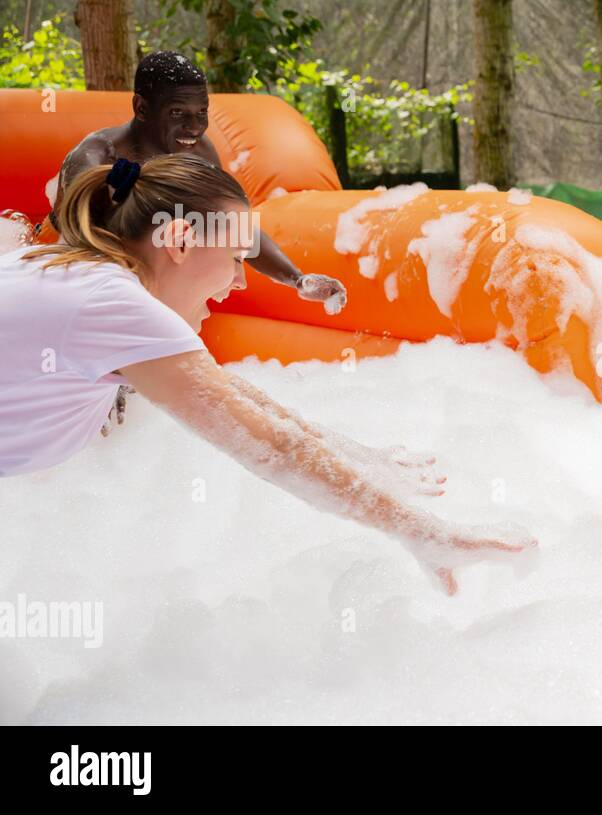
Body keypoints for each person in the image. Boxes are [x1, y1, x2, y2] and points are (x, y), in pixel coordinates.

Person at [0, 154, 532, 595]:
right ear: (181, 241)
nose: (236, 282)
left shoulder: (74, 276)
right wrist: (422, 531)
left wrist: (361, 457)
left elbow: (228, 396)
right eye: (235, 257)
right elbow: (271, 448)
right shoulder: (110, 303)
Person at [41, 51, 348, 433]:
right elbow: (79, 261)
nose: (193, 126)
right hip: (69, 275)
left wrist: (295, 279)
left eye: (201, 113)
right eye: (177, 114)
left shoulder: (197, 153)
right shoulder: (95, 159)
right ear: (141, 107)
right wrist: (109, 364)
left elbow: (230, 226)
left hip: (139, 276)